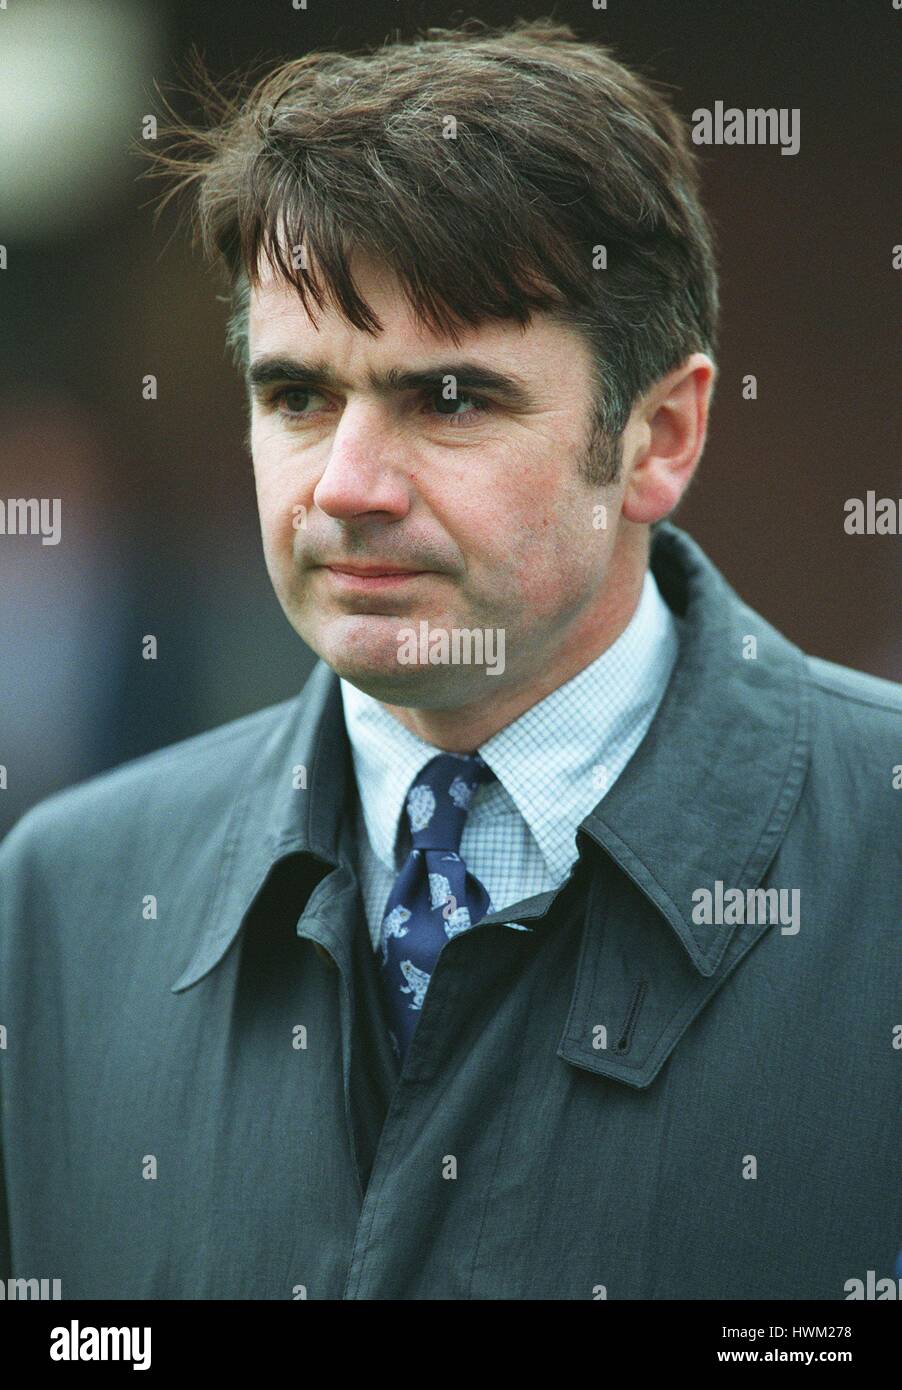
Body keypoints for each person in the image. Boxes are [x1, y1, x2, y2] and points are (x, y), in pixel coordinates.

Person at [1, 17, 899, 1301]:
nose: (346, 488)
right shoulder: (68, 901)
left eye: (450, 400)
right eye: (298, 395)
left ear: (658, 436)